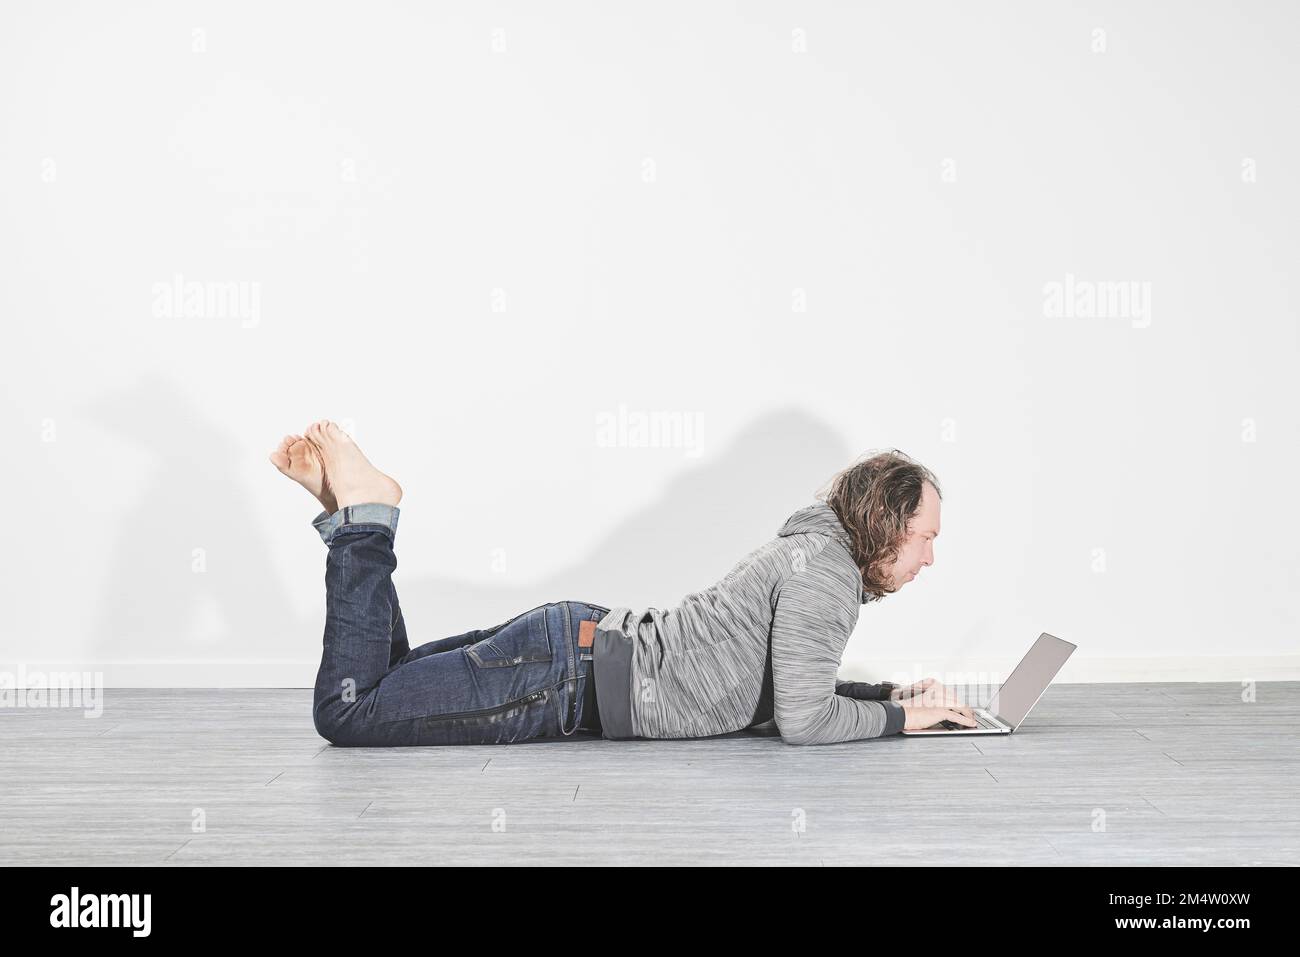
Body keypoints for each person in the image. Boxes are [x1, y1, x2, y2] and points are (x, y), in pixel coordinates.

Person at [270, 422, 976, 746]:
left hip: (568, 650)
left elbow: (794, 680)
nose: (929, 559)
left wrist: (886, 693)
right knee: (350, 714)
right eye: (926, 538)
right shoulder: (826, 575)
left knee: (384, 683)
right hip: (564, 676)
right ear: (885, 523)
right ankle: (368, 519)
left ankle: (349, 514)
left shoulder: (815, 550)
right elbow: (804, 721)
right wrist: (902, 721)